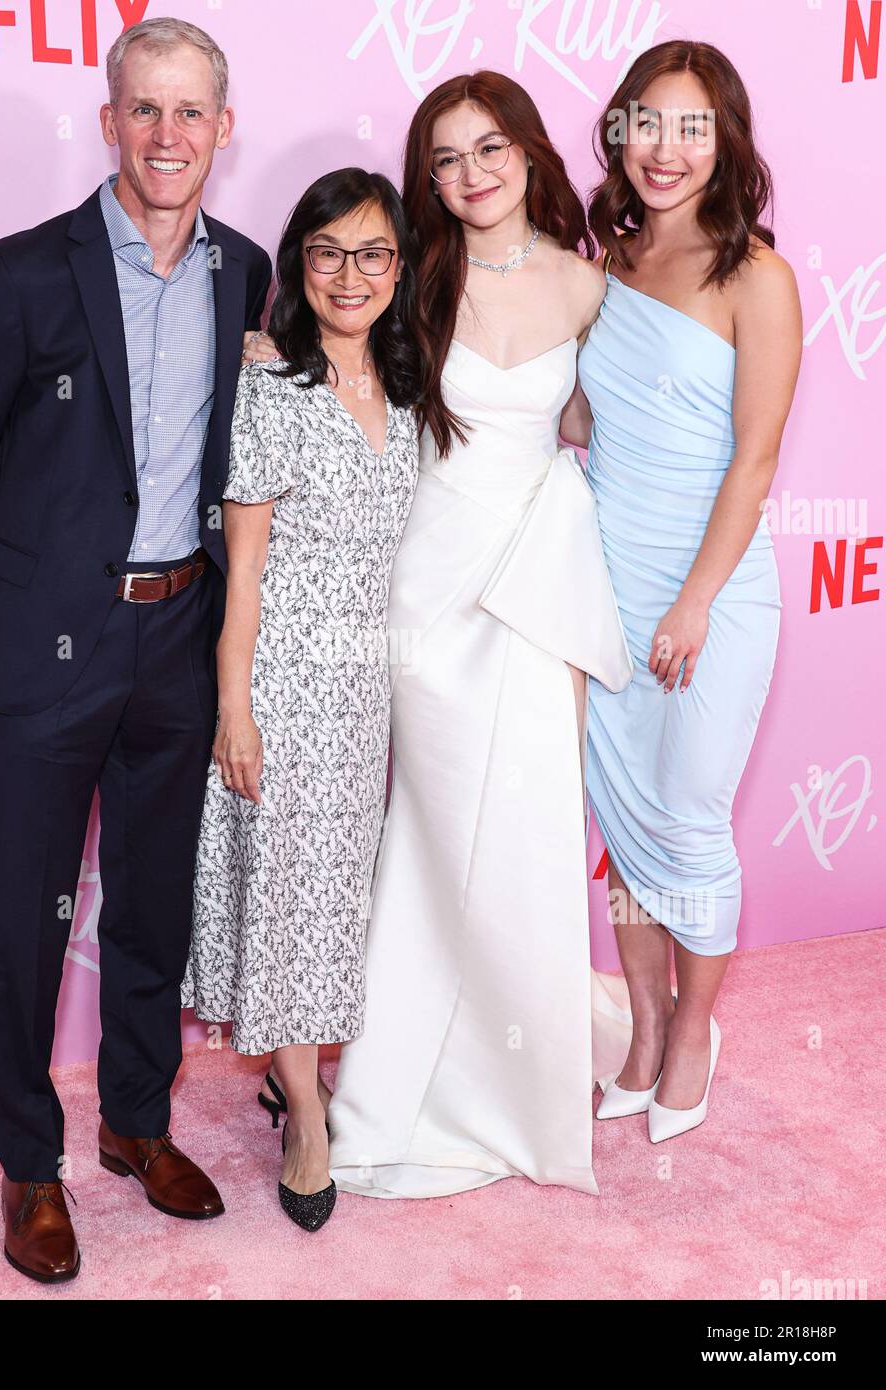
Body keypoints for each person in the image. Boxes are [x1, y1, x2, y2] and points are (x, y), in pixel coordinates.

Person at [0, 18, 271, 1282]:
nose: (167, 135)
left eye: (192, 113)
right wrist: (30, 588)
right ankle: (30, 1163)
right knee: (27, 913)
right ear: (109, 119)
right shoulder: (19, 272)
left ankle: (136, 1119)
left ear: (224, 130)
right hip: (47, 653)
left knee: (153, 900)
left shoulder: (245, 268)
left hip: (179, 640)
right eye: (145, 110)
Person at [318, 72, 635, 1199]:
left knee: (534, 827)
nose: (469, 173)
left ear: (527, 150)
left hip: (539, 581)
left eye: (487, 147)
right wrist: (274, 355)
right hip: (430, 580)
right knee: (439, 821)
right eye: (445, 158)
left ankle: (523, 1062)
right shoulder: (415, 279)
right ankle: (412, 1062)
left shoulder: (594, 288)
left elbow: (604, 431)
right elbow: (337, 361)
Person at [183, 168, 421, 1231]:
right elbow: (243, 569)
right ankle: (307, 1119)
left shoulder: (412, 392)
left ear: (400, 268)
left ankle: (298, 1075)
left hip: (366, 688)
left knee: (339, 900)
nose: (348, 274)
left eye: (372, 252)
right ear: (297, 266)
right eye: (325, 252)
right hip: (281, 680)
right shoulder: (269, 391)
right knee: (286, 899)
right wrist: (235, 707)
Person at [573, 41, 801, 1141]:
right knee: (622, 827)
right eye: (646, 124)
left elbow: (752, 461)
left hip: (705, 594)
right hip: (605, 591)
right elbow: (579, 412)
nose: (664, 150)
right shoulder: (601, 255)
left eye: (690, 127)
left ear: (725, 142)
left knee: (688, 821)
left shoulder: (755, 276)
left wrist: (694, 599)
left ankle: (695, 1031)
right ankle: (644, 1029)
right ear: (617, 134)